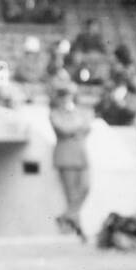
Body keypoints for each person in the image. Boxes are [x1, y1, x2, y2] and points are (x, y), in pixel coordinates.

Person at [49, 84, 91, 239]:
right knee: (72, 195)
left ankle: (66, 217)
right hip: (66, 157)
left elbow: (87, 127)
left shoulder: (78, 112)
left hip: (80, 155)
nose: (68, 99)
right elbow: (63, 130)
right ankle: (79, 231)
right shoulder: (55, 113)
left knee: (86, 188)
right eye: (65, 96)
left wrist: (74, 128)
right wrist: (76, 129)